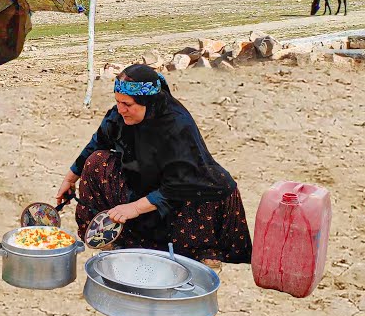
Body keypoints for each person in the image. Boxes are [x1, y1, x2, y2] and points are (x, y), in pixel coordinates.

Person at [55, 64, 252, 265]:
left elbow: (179, 184)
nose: (121, 109)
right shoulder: (120, 116)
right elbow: (98, 142)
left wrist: (134, 208)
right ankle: (117, 239)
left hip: (182, 191)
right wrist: (69, 179)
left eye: (128, 104)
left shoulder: (176, 126)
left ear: (147, 102)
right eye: (118, 102)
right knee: (96, 161)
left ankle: (200, 253)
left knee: (202, 190)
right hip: (142, 179)